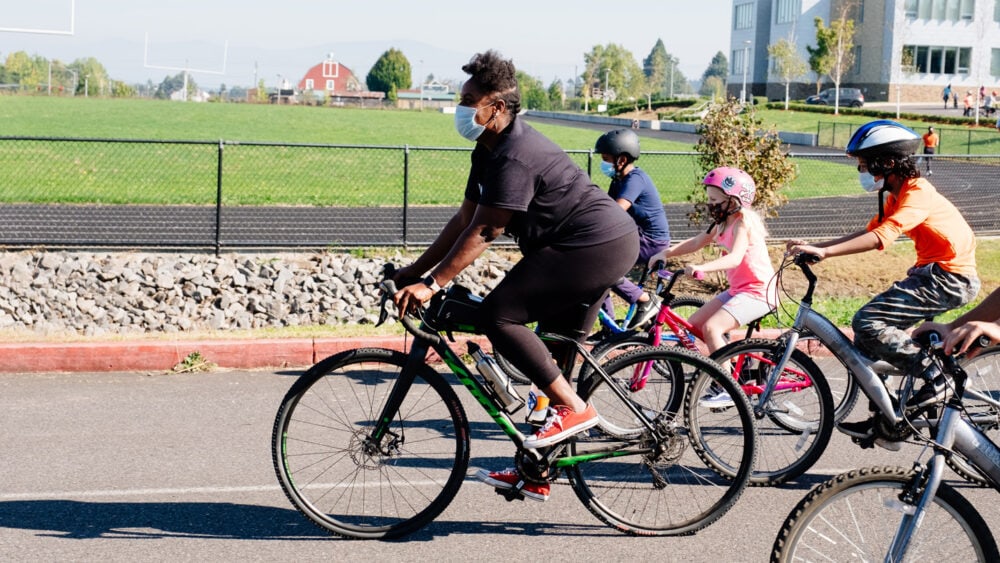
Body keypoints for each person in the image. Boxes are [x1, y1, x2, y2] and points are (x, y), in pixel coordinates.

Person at [392, 50, 639, 502]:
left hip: (593, 244)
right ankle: (538, 470)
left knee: (498, 317)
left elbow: (486, 230)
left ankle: (573, 408)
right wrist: (415, 270)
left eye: (470, 100)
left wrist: (433, 284)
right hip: (587, 244)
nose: (461, 109)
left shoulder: (515, 156)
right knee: (549, 356)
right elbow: (464, 219)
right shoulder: (486, 152)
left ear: (498, 108)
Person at [786, 120, 980, 447]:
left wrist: (825, 252)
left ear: (887, 162)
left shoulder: (918, 193)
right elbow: (869, 231)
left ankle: (938, 377)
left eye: (864, 163)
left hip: (950, 276)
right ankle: (890, 424)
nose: (861, 169)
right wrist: (819, 247)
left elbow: (881, 237)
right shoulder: (895, 195)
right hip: (930, 273)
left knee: (867, 322)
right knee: (865, 345)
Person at [648, 166, 776, 408]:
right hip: (740, 289)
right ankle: (733, 360)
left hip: (759, 291)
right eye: (709, 199)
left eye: (715, 200)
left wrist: (704, 268)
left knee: (712, 327)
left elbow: (736, 257)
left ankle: (728, 388)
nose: (711, 205)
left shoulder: (742, 222)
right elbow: (697, 241)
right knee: (695, 325)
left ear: (733, 201)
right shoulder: (722, 222)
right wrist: (666, 252)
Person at [594, 128, 671, 330]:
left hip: (652, 241)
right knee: (596, 270)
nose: (604, 163)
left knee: (602, 267)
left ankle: (645, 300)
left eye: (606, 159)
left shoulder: (635, 179)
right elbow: (605, 210)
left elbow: (617, 210)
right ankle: (608, 330)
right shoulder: (617, 181)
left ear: (622, 159)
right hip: (637, 236)